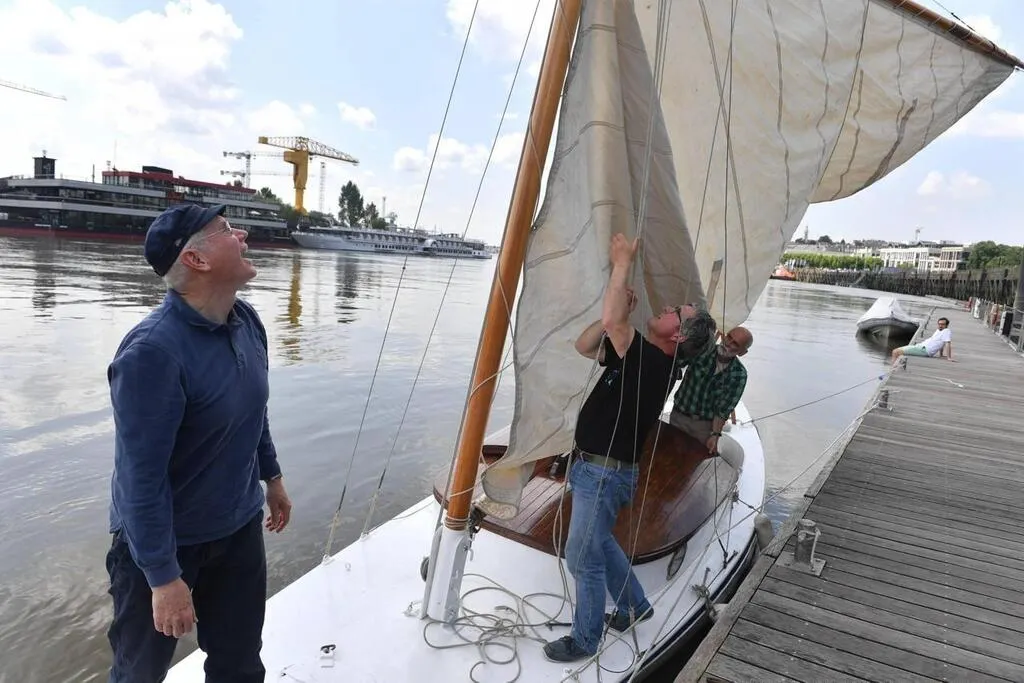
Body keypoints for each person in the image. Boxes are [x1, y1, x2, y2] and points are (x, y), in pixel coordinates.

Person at [105, 204, 292, 683]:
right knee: (139, 674)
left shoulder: (247, 321)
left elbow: (254, 412)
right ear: (197, 260)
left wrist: (272, 476)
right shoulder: (152, 353)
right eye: (228, 230)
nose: (243, 234)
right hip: (164, 545)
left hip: (237, 531)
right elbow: (138, 480)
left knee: (240, 665)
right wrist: (164, 578)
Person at [543, 233, 715, 663]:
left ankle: (585, 640)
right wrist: (612, 318)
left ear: (676, 334)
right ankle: (636, 605)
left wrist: (622, 263)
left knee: (582, 557)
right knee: (600, 543)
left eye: (677, 311)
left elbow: (616, 324)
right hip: (595, 469)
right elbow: (585, 345)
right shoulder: (638, 356)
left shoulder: (655, 364)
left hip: (603, 474)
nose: (668, 307)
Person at [669, 325, 752, 455]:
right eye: (729, 336)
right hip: (679, 416)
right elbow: (676, 362)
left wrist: (715, 435)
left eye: (735, 343)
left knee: (691, 461)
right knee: (669, 454)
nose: (728, 343)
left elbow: (724, 409)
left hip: (704, 426)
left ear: (742, 352)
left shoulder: (739, 374)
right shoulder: (703, 350)